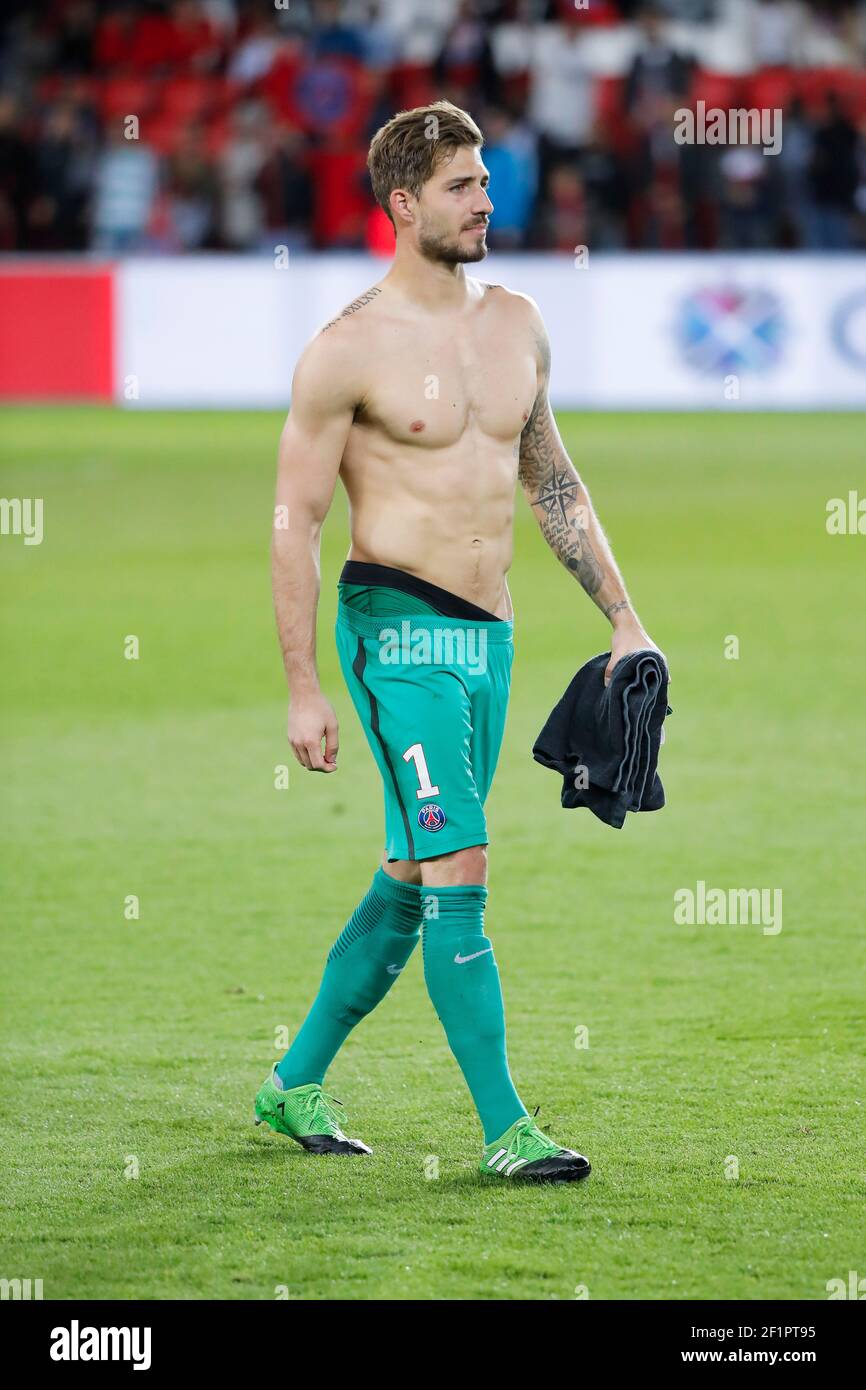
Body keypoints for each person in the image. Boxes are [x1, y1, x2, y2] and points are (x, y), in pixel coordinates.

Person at [257, 100, 662, 1183]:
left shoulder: (517, 322)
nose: (487, 200)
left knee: (410, 870)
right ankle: (506, 1128)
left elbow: (551, 480)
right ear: (402, 204)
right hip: (397, 637)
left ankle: (291, 1082)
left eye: (485, 181)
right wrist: (304, 686)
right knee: (461, 863)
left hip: (491, 634)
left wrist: (620, 617)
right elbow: (294, 519)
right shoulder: (344, 350)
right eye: (462, 186)